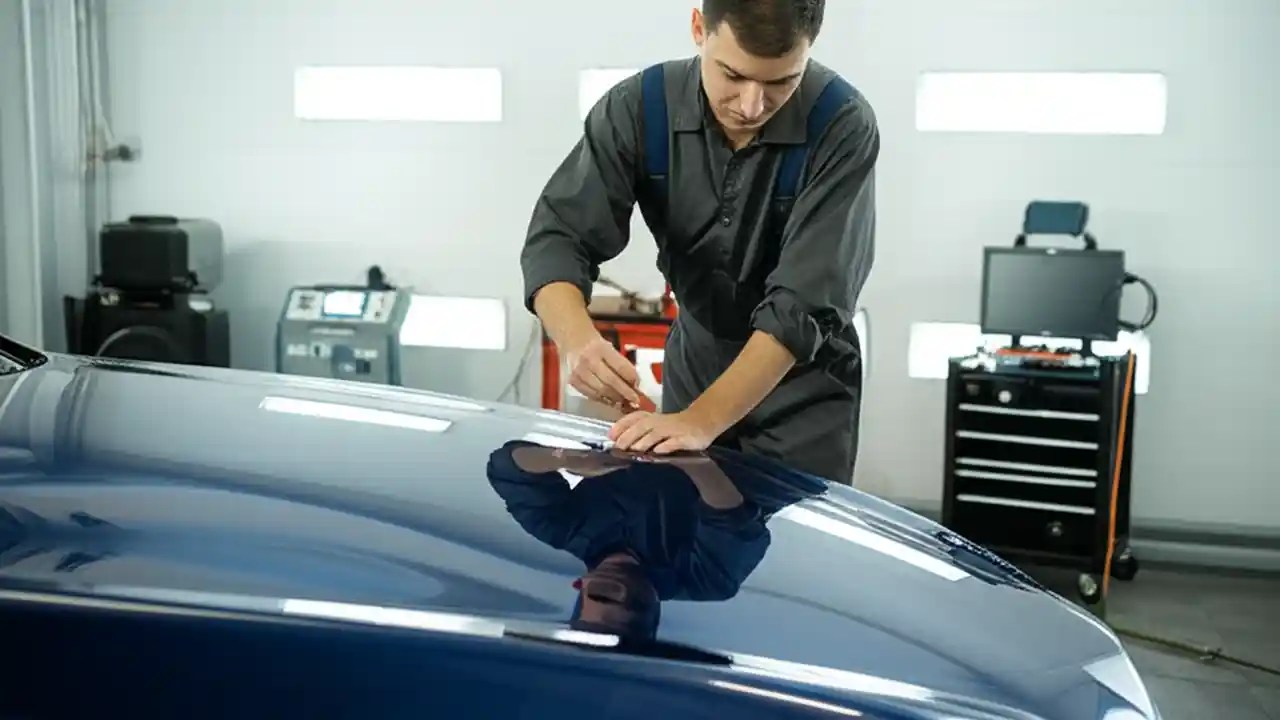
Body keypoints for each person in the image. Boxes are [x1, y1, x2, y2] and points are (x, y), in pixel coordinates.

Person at [520, 0, 878, 484]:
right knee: (684, 541)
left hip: (803, 386)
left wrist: (699, 422)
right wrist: (576, 341)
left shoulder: (843, 124)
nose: (752, 106)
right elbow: (560, 236)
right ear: (697, 28)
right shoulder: (637, 110)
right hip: (695, 359)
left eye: (780, 83)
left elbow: (803, 305)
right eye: (732, 75)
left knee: (789, 549)